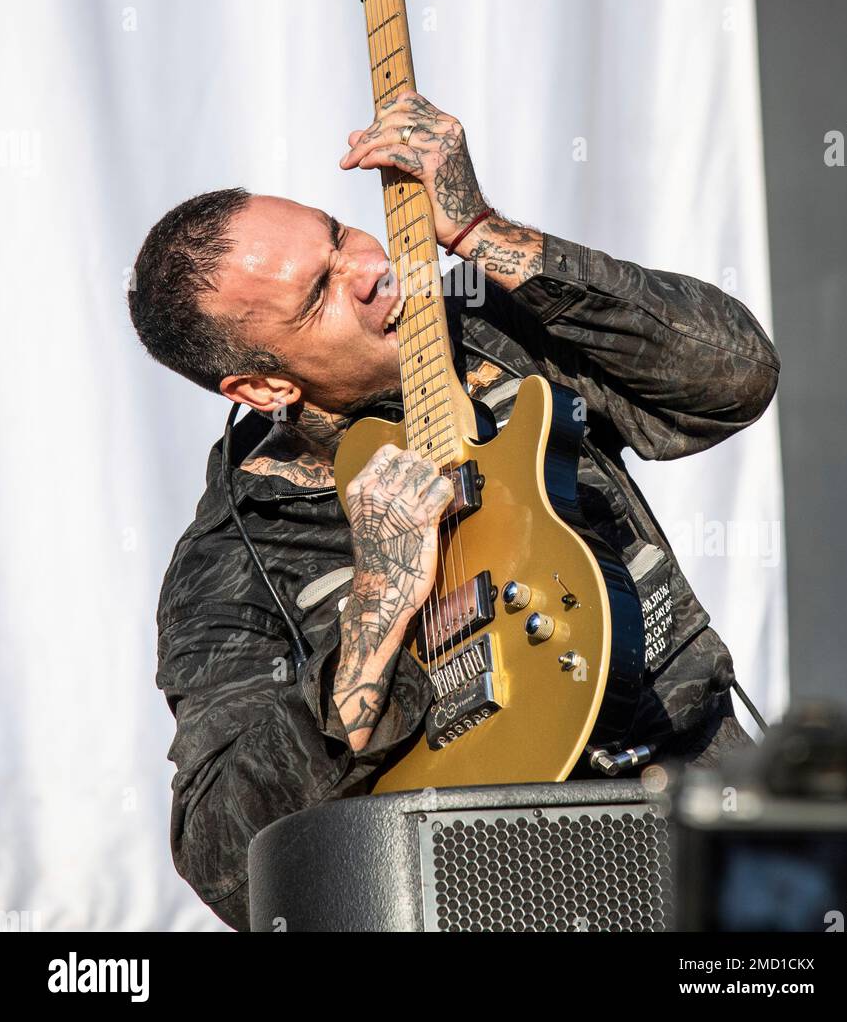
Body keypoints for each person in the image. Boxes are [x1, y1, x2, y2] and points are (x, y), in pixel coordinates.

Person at [128, 90, 780, 930]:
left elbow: (734, 379)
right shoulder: (233, 555)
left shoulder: (491, 329)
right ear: (264, 385)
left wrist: (481, 232)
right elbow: (224, 855)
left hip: (705, 818)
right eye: (320, 293)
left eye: (337, 233)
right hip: (496, 890)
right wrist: (376, 609)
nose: (370, 268)